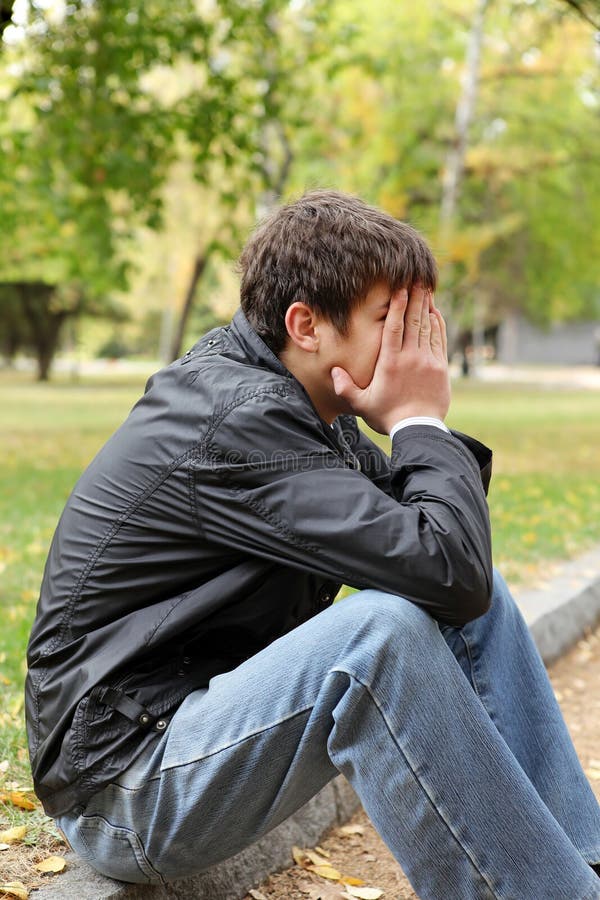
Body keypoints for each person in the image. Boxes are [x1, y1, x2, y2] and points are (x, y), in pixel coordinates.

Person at [25, 190, 600, 899]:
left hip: (203, 728)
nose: (414, 346)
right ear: (306, 325)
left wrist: (419, 428)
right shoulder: (239, 419)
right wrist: (420, 418)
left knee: (461, 602)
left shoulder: (301, 405)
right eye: (391, 323)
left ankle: (583, 867)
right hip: (125, 790)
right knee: (378, 637)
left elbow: (447, 563)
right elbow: (443, 565)